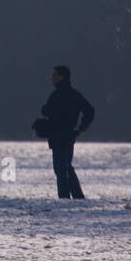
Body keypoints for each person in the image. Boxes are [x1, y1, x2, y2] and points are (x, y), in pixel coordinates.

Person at [40, 65, 94, 199]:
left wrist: (45, 110)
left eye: (54, 75)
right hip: (70, 135)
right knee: (66, 166)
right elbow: (90, 111)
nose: (52, 78)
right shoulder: (74, 94)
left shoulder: (57, 95)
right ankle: (77, 196)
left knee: (60, 168)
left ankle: (65, 197)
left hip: (58, 135)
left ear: (61, 77)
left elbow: (47, 111)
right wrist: (81, 129)